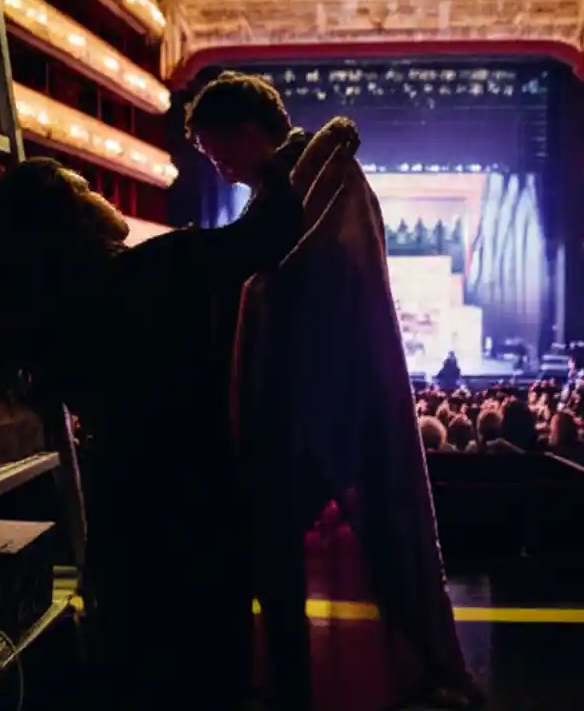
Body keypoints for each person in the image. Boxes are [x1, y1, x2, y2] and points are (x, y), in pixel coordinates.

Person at [187, 71, 482, 710]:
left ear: (246, 131)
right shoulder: (289, 183)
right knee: (278, 565)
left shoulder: (322, 180)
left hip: (318, 403)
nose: (218, 166)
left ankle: (353, 680)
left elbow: (301, 285)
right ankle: (296, 682)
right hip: (295, 405)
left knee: (339, 550)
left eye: (218, 149)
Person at [0, 153, 305, 710]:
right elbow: (270, 233)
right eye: (84, 189)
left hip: (125, 523)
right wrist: (279, 157)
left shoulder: (55, 321)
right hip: (196, 516)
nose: (102, 196)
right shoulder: (157, 268)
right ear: (70, 219)